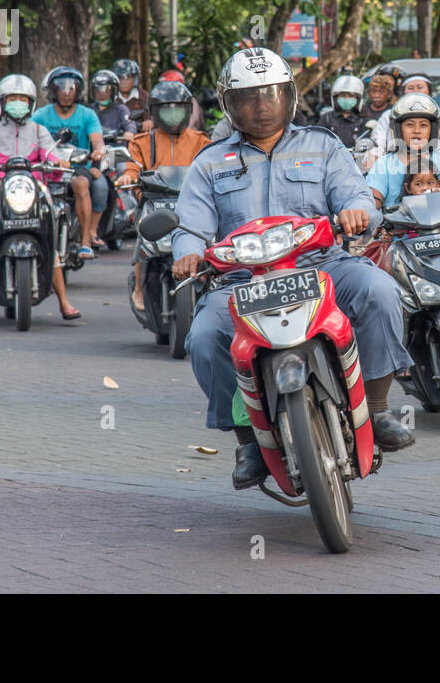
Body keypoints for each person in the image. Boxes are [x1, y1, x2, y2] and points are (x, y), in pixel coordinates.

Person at [171, 47, 415, 488]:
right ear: (230, 103)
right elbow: (190, 227)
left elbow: (356, 195)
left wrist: (358, 212)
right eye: (249, 97)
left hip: (322, 267)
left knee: (379, 290)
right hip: (242, 281)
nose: (262, 106)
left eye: (271, 95)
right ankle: (248, 438)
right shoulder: (210, 162)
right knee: (205, 337)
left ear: (289, 97)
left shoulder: (322, 145)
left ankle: (376, 409)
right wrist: (186, 252)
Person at [0, 74, 79, 323]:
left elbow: (54, 161)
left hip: (34, 189)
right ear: (2, 103)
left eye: (22, 99)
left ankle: (63, 301)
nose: (17, 103)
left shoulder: (40, 131)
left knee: (50, 240)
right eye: (12, 99)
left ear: (31, 103)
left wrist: (59, 162)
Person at [122, 81, 210, 311]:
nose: (173, 114)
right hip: (154, 201)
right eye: (166, 109)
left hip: (191, 202)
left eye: (178, 108)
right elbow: (133, 167)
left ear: (188, 110)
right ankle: (139, 288)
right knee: (143, 235)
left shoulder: (201, 140)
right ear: (155, 112)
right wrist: (129, 177)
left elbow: (212, 167)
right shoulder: (142, 141)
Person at [31, 66, 107, 258]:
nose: (66, 93)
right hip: (48, 167)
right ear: (53, 91)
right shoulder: (41, 114)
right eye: (61, 88)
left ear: (78, 91)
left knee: (81, 184)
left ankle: (85, 242)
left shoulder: (87, 114)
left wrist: (99, 151)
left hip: (78, 167)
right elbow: (28, 134)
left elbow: (97, 139)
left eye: (71, 88)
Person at [367, 94, 440, 210]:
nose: (417, 130)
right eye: (409, 125)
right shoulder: (383, 164)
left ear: (433, 130)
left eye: (423, 125)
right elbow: (373, 202)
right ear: (398, 129)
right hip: (397, 227)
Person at [316, 74, 365, 148]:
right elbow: (318, 140)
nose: (346, 99)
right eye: (343, 95)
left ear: (357, 99)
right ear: (336, 98)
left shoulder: (362, 119)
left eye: (350, 96)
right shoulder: (327, 118)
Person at [90, 69, 137, 139]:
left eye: (106, 89)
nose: (102, 93)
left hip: (115, 147)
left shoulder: (121, 109)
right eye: (98, 89)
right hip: (93, 147)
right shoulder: (89, 110)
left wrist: (130, 132)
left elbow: (129, 124)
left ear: (113, 91)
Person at [113, 58, 150, 127]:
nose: (123, 82)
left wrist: (149, 123)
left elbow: (152, 118)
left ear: (135, 79)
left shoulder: (145, 97)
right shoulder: (111, 97)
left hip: (139, 136)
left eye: (128, 77)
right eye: (120, 77)